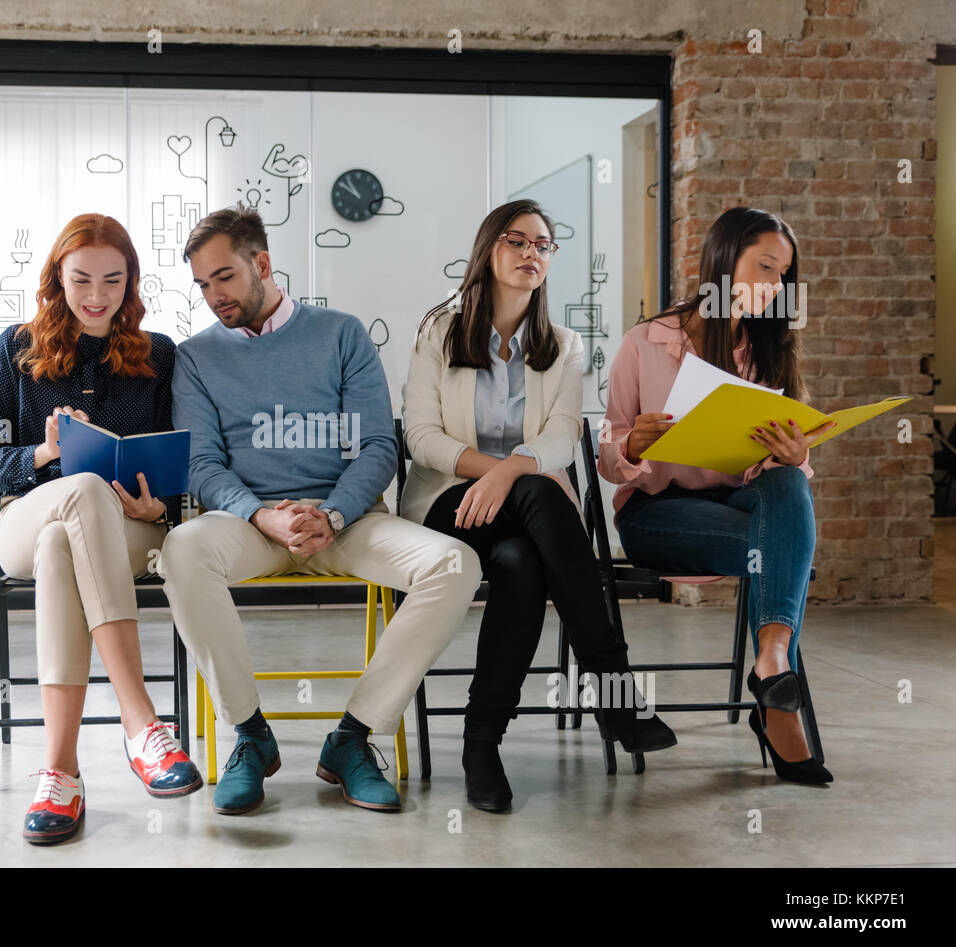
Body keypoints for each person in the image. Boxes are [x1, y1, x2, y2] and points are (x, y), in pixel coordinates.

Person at [161, 203, 483, 815]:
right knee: (180, 548)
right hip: (250, 524)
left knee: (454, 564)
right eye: (201, 284)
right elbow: (202, 465)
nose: (213, 296)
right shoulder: (196, 356)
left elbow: (378, 447)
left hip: (346, 522)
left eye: (224, 277)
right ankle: (251, 737)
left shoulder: (341, 333)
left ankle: (353, 738)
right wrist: (263, 516)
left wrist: (331, 514)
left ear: (262, 263)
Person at [400, 199, 677, 812]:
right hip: (449, 508)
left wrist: (514, 474)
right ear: (487, 250)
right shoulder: (438, 331)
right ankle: (613, 688)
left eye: (543, 245)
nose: (531, 254)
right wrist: (501, 475)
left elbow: (560, 435)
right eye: (517, 241)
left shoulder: (564, 344)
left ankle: (481, 746)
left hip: (528, 516)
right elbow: (421, 437)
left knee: (523, 565)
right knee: (535, 490)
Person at [0, 213, 202, 846]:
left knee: (61, 545)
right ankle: (142, 722)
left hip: (129, 530)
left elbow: (176, 466)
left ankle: (60, 773)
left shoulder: (156, 355)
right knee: (72, 500)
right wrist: (45, 455)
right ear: (56, 280)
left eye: (113, 281)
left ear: (131, 284)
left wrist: (161, 510)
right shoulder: (17, 349)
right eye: (81, 280)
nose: (97, 296)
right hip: (24, 518)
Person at [599, 205, 834, 786]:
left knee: (785, 484)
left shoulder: (771, 347)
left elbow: (791, 474)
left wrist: (796, 456)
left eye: (784, 274)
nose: (776, 285)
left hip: (741, 502)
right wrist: (634, 445)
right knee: (783, 548)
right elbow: (607, 459)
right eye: (765, 267)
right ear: (726, 260)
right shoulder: (644, 343)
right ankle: (777, 692)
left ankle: (771, 660)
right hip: (658, 513)